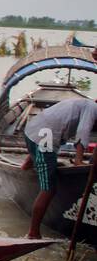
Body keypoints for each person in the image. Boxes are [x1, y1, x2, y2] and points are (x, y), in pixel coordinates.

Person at [21, 96, 97, 238]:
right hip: (44, 136)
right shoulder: (93, 108)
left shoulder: (83, 104)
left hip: (33, 129)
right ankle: (33, 233)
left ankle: (28, 163)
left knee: (45, 159)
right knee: (49, 189)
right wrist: (78, 161)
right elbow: (83, 132)